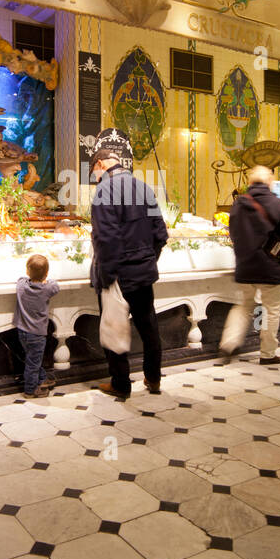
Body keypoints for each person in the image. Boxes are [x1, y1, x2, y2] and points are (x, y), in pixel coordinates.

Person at [89, 148, 169, 397]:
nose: (95, 177)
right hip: (143, 272)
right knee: (149, 327)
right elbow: (160, 233)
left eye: (94, 172)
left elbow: (106, 238)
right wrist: (147, 259)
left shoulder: (104, 190)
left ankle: (121, 385)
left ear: (100, 164)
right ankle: (153, 379)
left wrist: (108, 276)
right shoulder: (144, 187)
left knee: (114, 329)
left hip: (118, 274)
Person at [220, 165, 280, 365]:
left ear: (250, 183)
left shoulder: (238, 205)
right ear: (269, 183)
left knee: (244, 306)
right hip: (271, 266)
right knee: (271, 310)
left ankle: (229, 344)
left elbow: (232, 234)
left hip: (246, 265)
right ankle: (267, 354)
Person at [15, 253, 59, 396]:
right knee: (33, 363)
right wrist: (45, 279)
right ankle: (31, 390)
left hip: (22, 331)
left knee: (32, 359)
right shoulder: (47, 289)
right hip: (38, 334)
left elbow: (21, 278)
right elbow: (56, 286)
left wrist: (32, 275)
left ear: (27, 271)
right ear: (46, 273)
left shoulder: (21, 286)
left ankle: (43, 379)